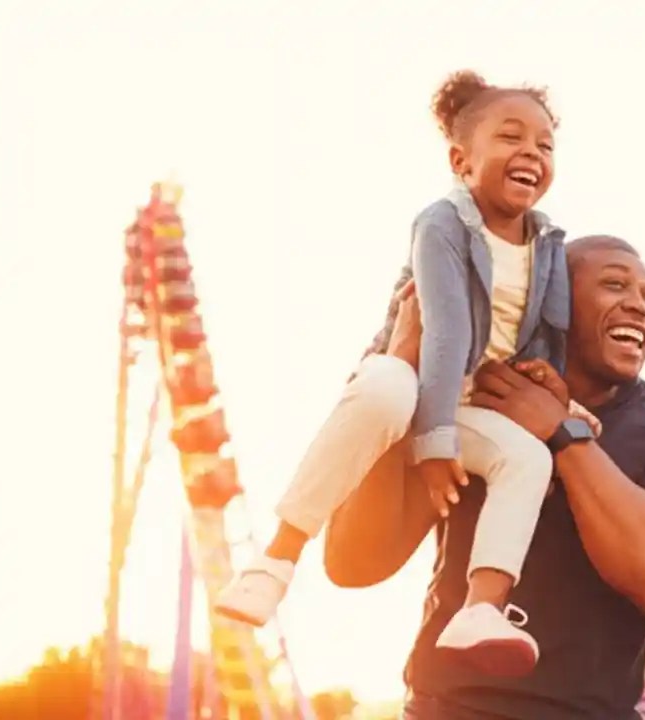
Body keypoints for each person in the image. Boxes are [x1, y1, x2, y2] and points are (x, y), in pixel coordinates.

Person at [215, 69, 597, 676]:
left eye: (545, 144)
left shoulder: (547, 241)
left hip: (473, 399)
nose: (531, 152)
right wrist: (434, 441)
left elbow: (546, 334)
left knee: (529, 457)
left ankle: (481, 609)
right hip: (412, 373)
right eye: (510, 137)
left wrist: (555, 389)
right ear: (461, 160)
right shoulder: (443, 223)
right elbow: (443, 331)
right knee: (389, 390)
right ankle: (276, 560)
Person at [324, 234, 645, 719]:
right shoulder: (472, 401)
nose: (638, 306)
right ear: (553, 302)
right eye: (614, 285)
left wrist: (562, 434)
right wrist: (405, 372)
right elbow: (352, 562)